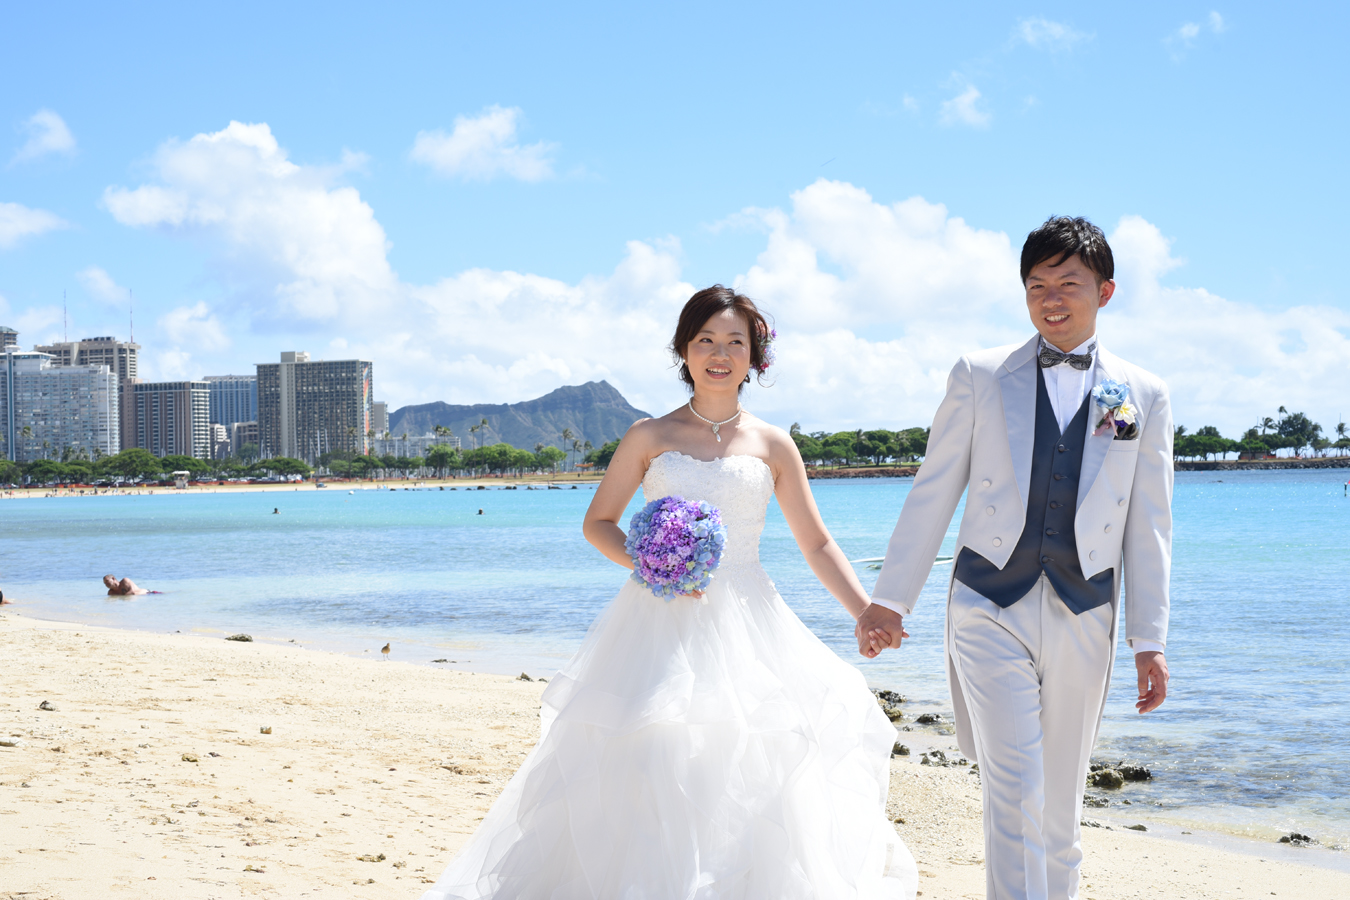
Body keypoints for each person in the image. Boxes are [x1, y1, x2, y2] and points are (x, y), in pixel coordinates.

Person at [422, 286, 918, 899]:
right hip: (656, 619)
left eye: (735, 341)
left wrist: (865, 609)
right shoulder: (648, 435)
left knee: (750, 763)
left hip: (748, 615)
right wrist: (655, 564)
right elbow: (598, 523)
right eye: (706, 339)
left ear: (754, 357)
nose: (719, 352)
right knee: (654, 751)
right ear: (683, 349)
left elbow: (816, 543)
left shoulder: (772, 443)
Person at [866, 217, 1172, 900]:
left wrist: (1148, 641)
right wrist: (891, 599)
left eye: (1069, 283)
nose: (1051, 298)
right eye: (1037, 285)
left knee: (1060, 805)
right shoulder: (980, 375)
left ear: (1107, 290)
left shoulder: (1142, 395)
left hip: (1085, 606)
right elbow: (933, 489)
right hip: (985, 603)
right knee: (1014, 787)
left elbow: (1149, 525)